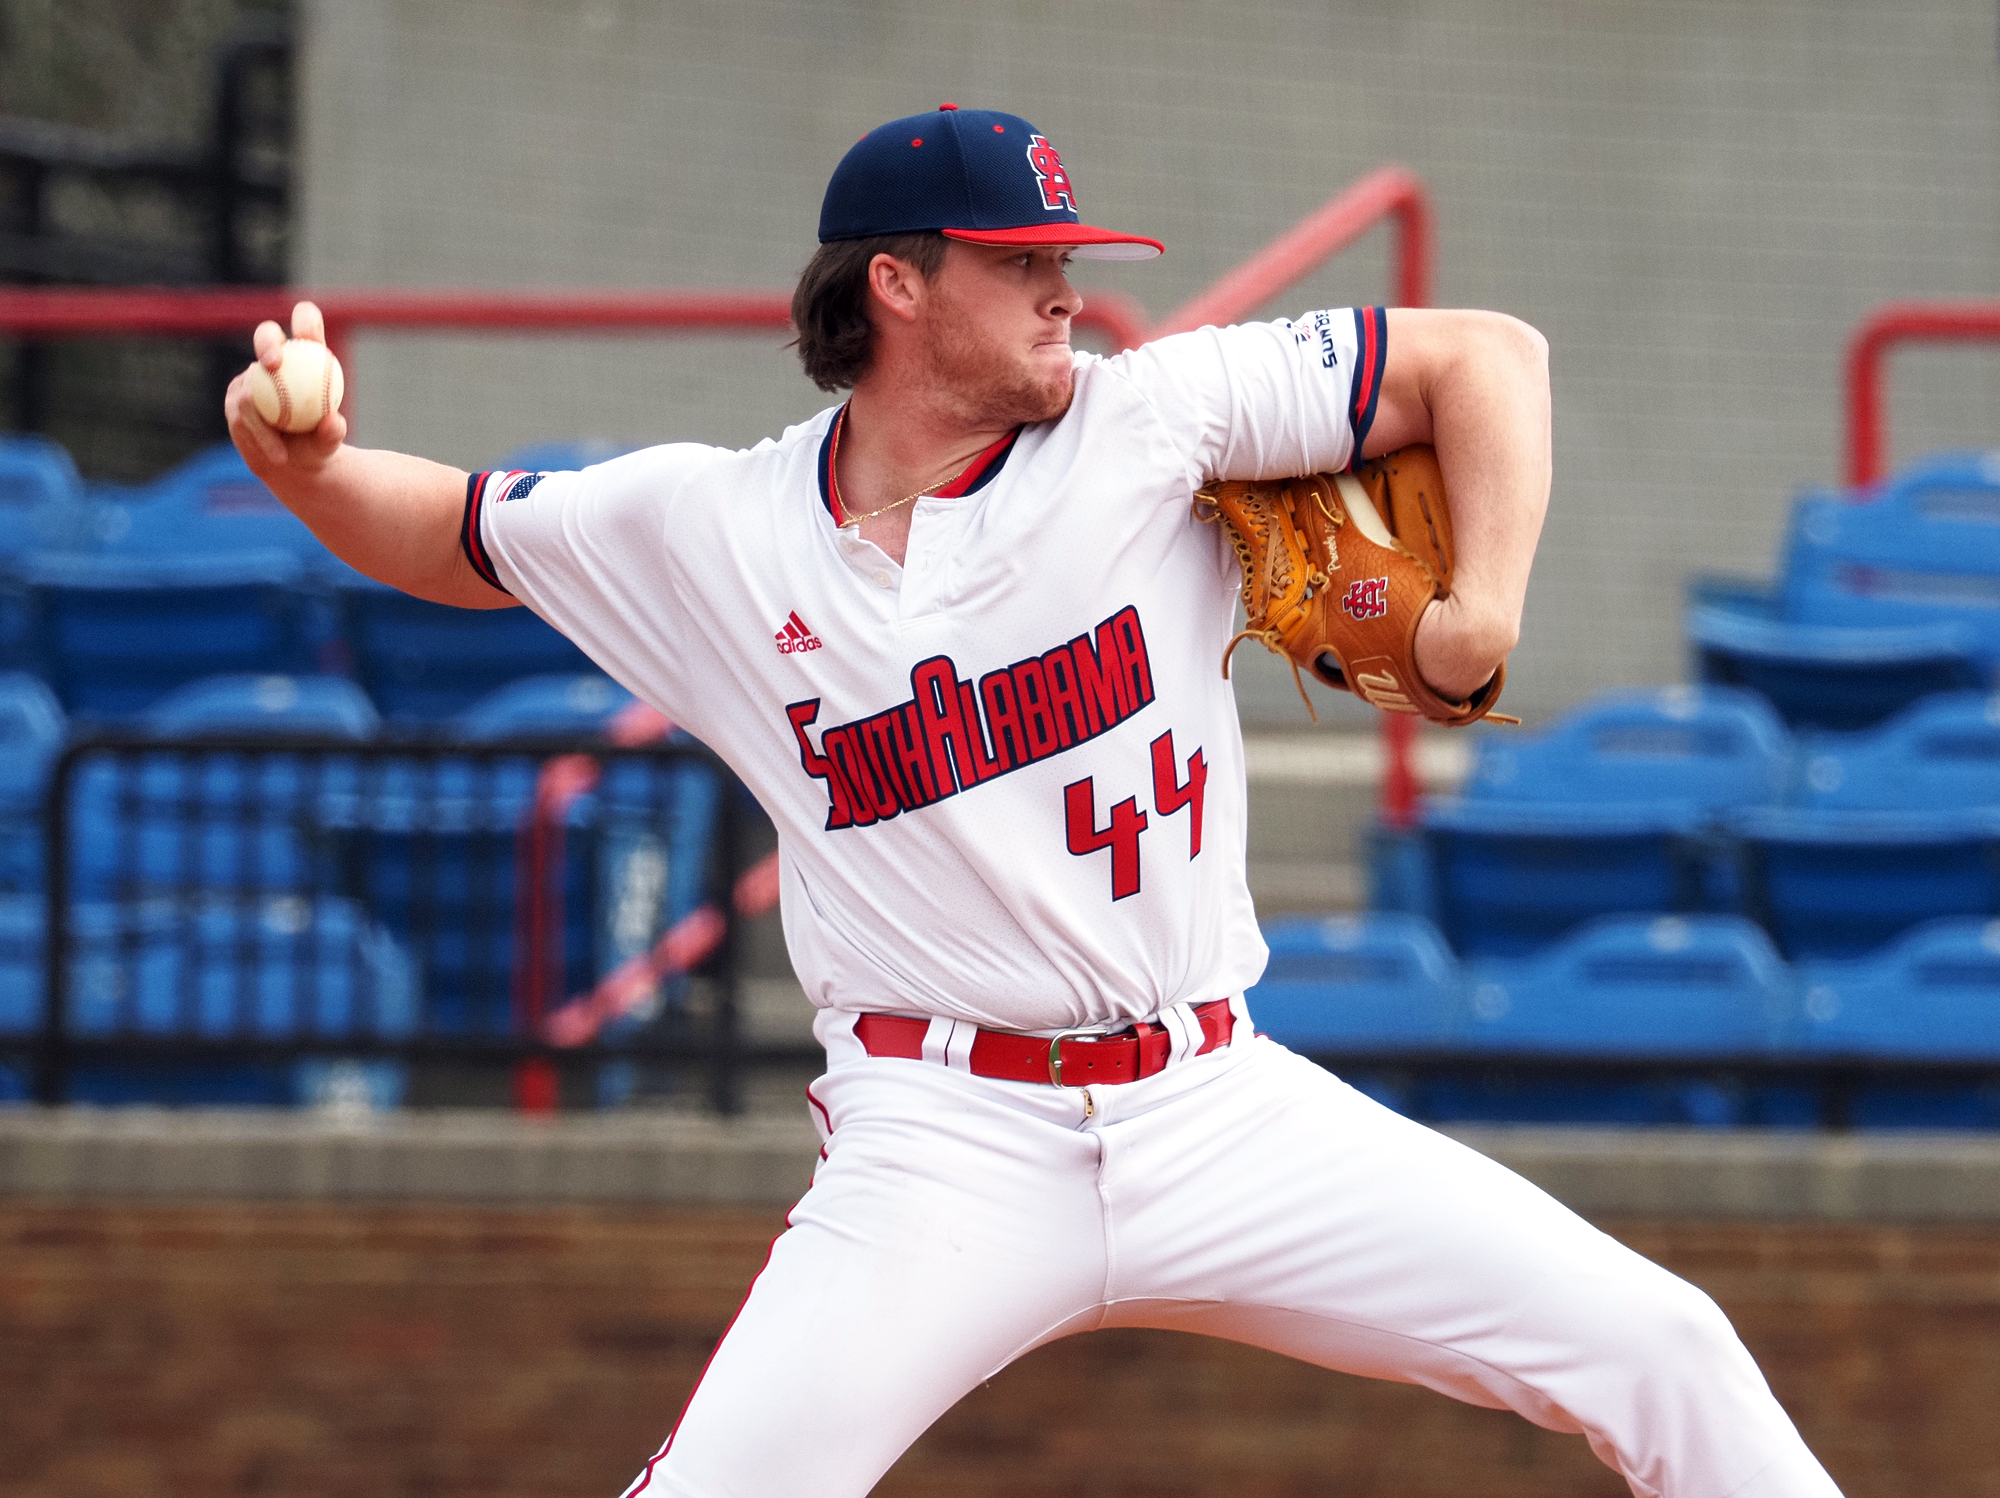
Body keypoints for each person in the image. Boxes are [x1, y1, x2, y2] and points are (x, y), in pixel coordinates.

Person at [228, 104, 1841, 1498]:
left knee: (1666, 1345)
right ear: (898, 283)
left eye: (1067, 250)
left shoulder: (1155, 421)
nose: (1072, 284)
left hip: (1218, 1103)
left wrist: (1480, 603)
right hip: (945, 1134)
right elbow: (452, 533)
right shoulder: (712, 530)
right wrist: (307, 469)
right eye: (1023, 258)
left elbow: (1488, 357)